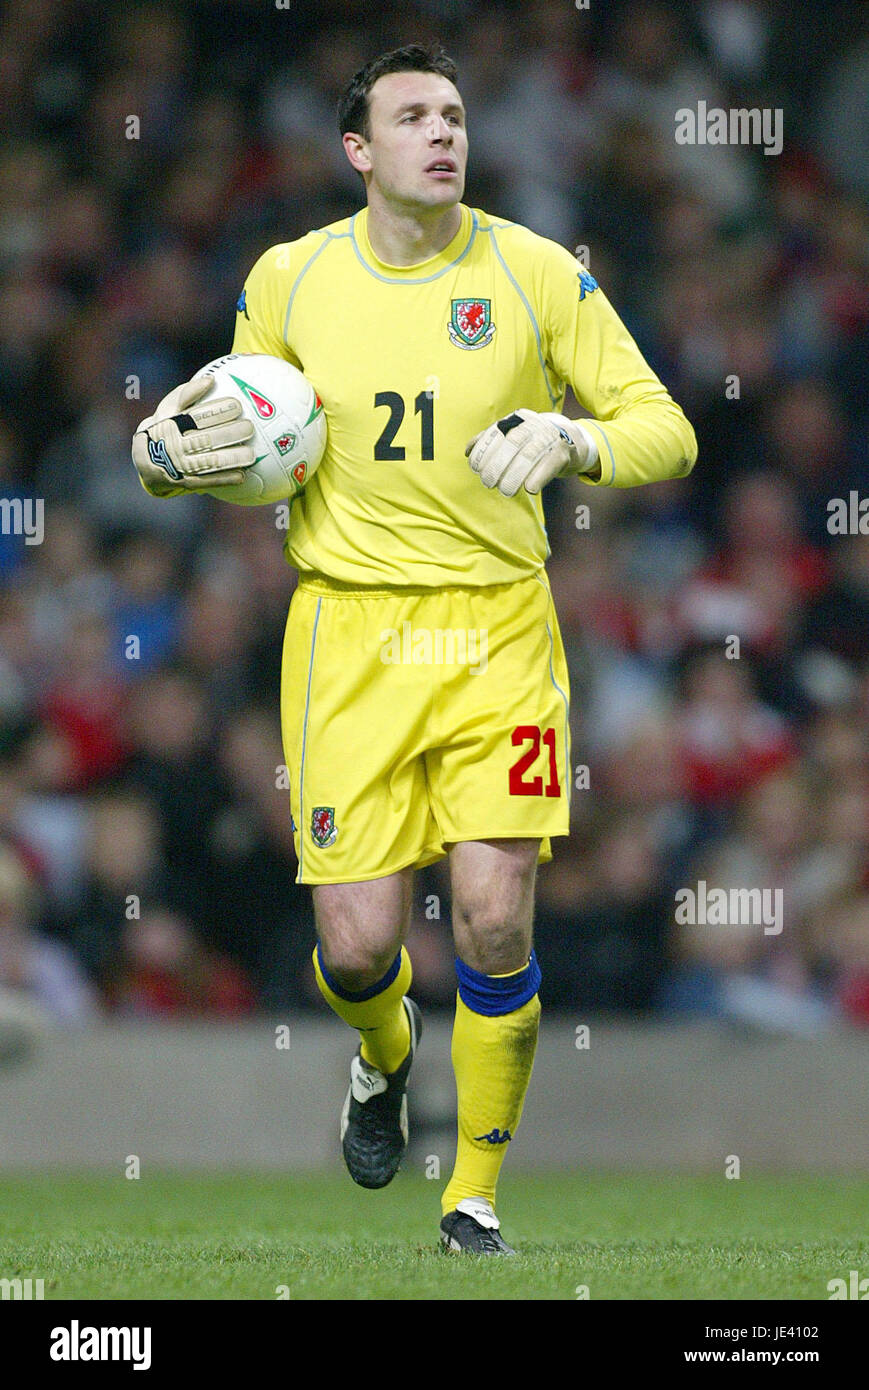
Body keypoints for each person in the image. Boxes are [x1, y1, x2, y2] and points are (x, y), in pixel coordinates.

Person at [131, 42, 697, 1255]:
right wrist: (160, 460)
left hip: (497, 630)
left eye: (452, 115)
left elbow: (666, 428)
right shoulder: (288, 278)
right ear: (357, 150)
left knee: (493, 919)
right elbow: (232, 437)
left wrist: (570, 439)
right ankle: (382, 1059)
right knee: (359, 947)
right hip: (349, 636)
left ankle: (473, 1192)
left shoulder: (536, 271)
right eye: (410, 117)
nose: (441, 133)